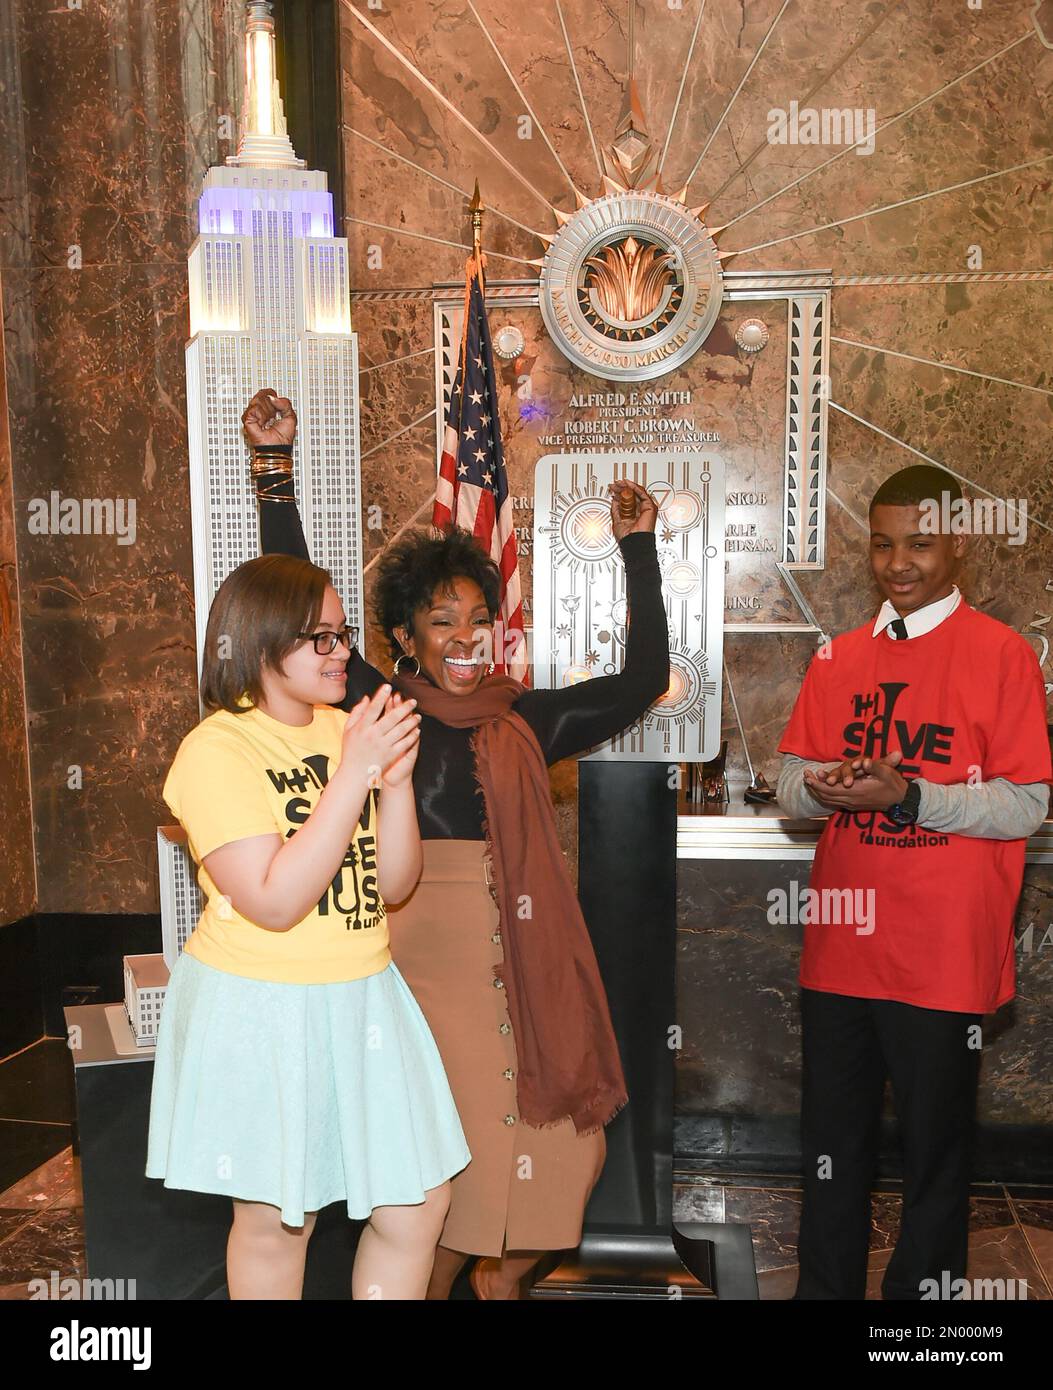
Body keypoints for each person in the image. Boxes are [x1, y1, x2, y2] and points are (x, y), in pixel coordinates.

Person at [242, 386, 670, 1299]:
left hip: (526, 960)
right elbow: (298, 607)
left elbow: (642, 679)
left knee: (559, 1151)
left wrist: (640, 547)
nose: (467, 637)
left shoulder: (525, 719)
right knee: (441, 1172)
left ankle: (502, 1286)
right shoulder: (379, 704)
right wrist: (273, 473)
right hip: (416, 970)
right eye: (444, 622)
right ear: (404, 637)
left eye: (480, 619)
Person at [146, 551, 470, 1299]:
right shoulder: (217, 750)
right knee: (277, 1223)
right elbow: (273, 900)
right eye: (319, 638)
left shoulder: (344, 732)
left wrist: (392, 788)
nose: (343, 653)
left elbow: (392, 885)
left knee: (418, 1205)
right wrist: (355, 775)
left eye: (342, 633)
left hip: (365, 995)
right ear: (260, 643)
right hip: (261, 1002)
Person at [777, 463, 1051, 1300]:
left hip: (941, 954)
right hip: (840, 951)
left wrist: (913, 795)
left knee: (935, 1159)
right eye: (884, 544)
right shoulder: (839, 656)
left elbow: (1025, 805)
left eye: (920, 545)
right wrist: (823, 786)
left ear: (957, 542)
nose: (898, 563)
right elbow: (791, 785)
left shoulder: (1001, 655)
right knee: (831, 1152)